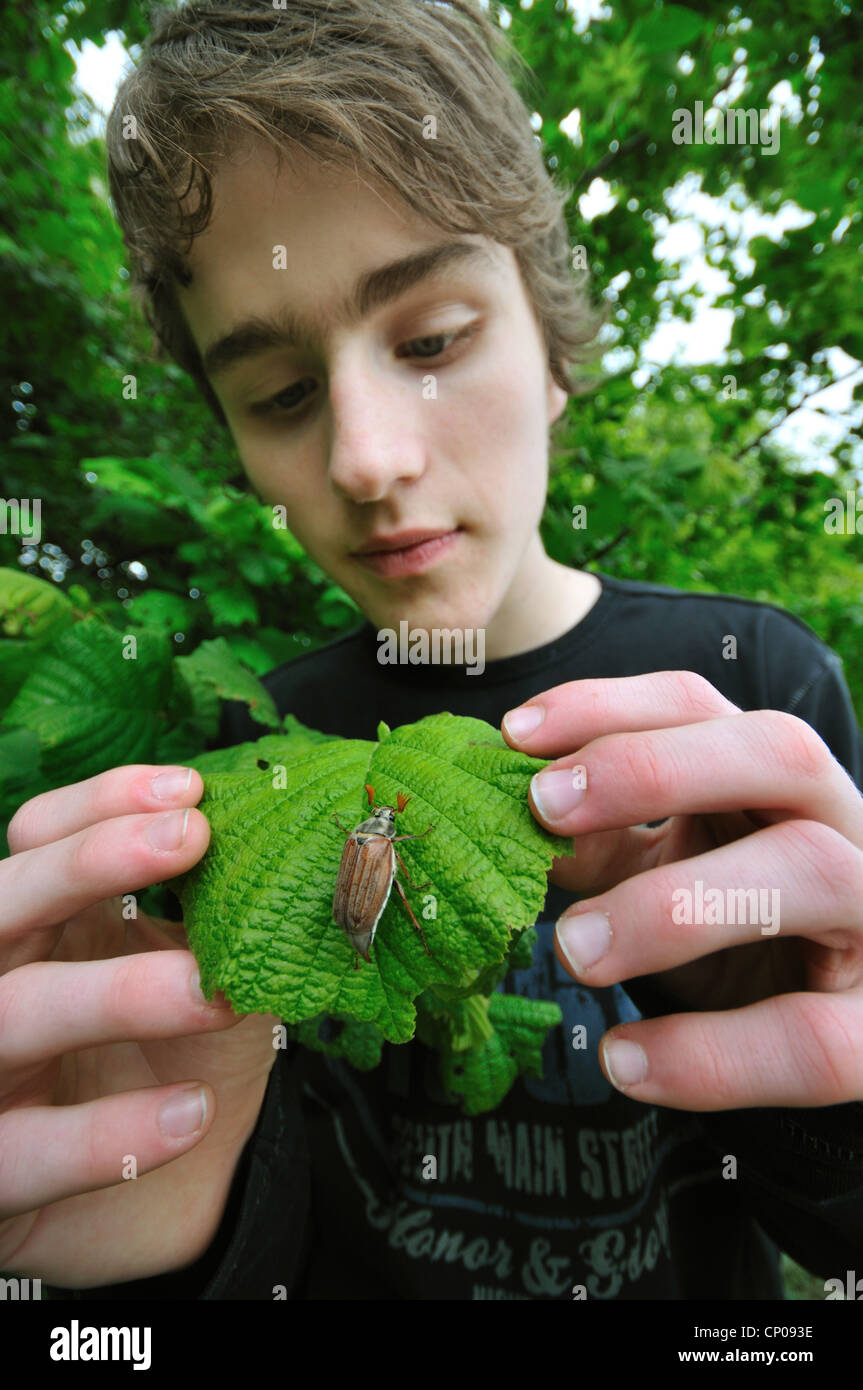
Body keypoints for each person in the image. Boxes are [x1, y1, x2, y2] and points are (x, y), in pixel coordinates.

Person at [4, 0, 863, 1301]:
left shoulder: (755, 695)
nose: (366, 457)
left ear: (556, 343)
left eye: (432, 339)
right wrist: (157, 1246)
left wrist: (835, 1126)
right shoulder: (259, 756)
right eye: (281, 393)